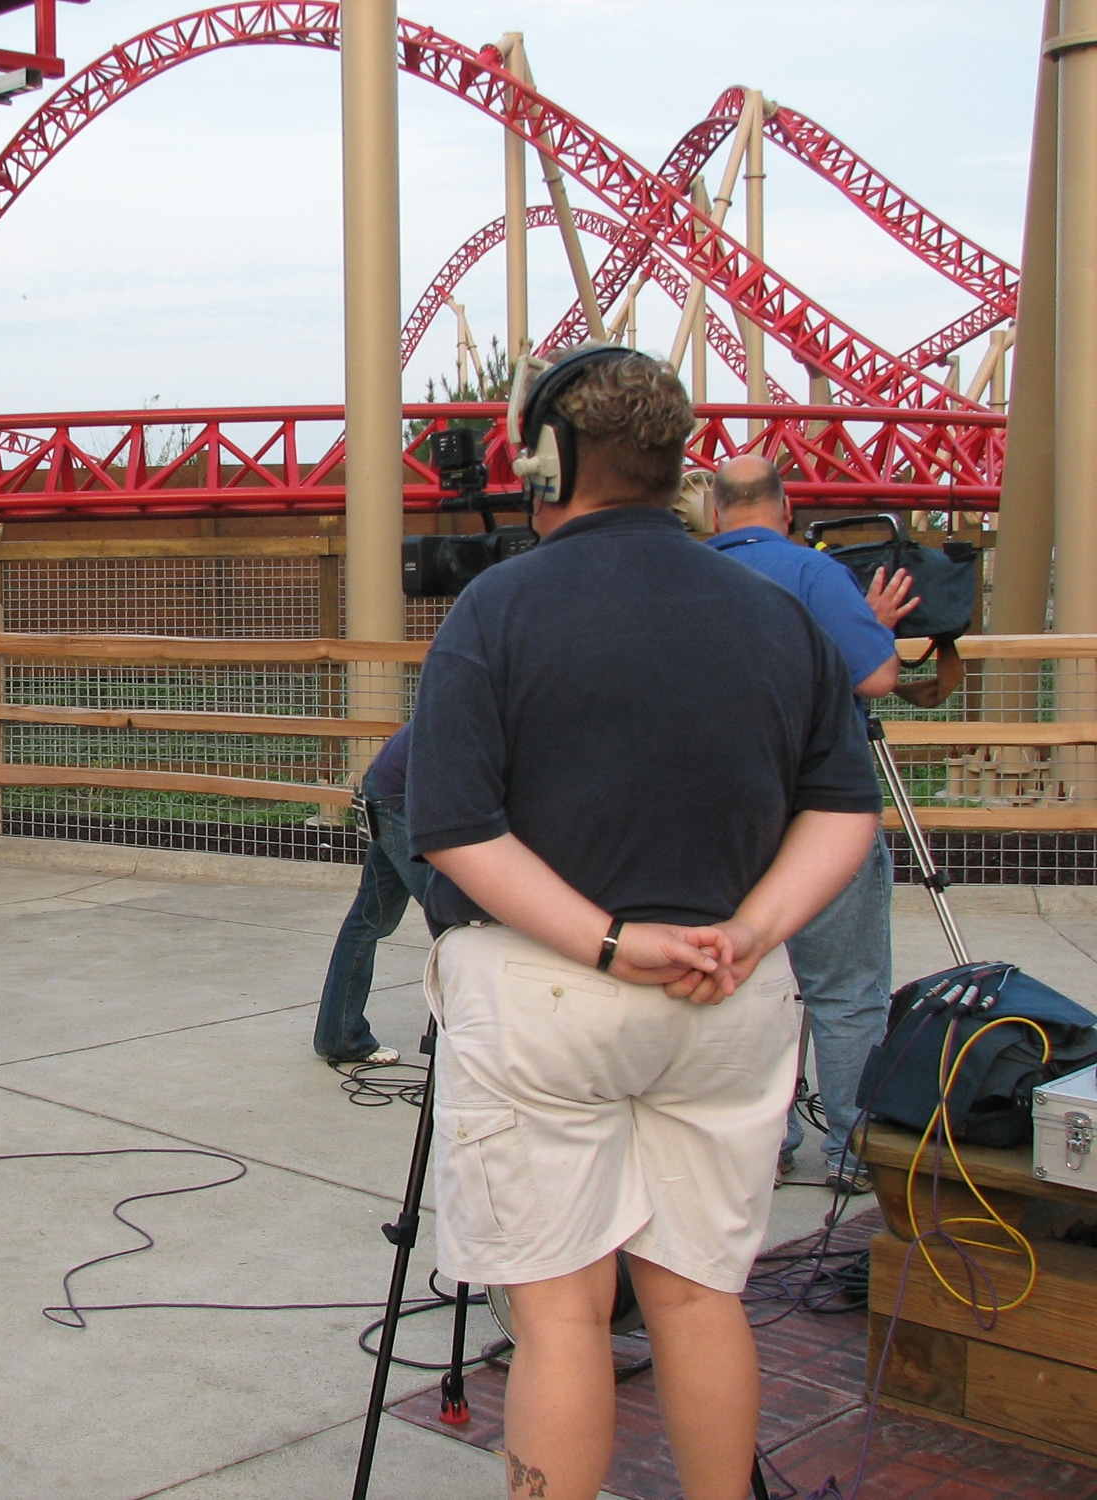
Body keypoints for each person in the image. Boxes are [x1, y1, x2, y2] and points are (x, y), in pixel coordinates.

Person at [406, 346, 879, 1500]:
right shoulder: (774, 613)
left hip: (551, 996)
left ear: (546, 463)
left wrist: (610, 943)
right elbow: (841, 809)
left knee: (563, 1311)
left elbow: (456, 826)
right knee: (697, 1292)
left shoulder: (496, 607)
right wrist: (750, 931)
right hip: (727, 996)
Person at [709, 456, 918, 1195]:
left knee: (740, 979)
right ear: (787, 509)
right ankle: (854, 1150)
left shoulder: (692, 572)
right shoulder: (814, 574)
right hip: (820, 809)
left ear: (714, 513)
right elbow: (877, 678)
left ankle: (765, 1140)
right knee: (846, 989)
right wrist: (875, 630)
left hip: (724, 813)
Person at [313, 723, 425, 1065]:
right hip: (401, 795)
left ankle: (340, 1036)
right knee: (458, 920)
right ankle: (483, 1046)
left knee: (369, 918)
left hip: (389, 784)